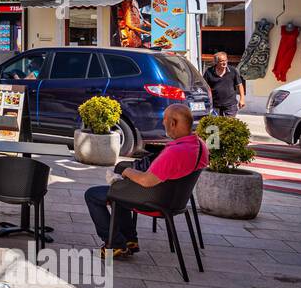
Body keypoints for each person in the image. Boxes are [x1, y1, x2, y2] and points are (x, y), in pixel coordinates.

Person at [82, 103, 208, 256]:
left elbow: (146, 181)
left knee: (93, 195)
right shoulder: (200, 145)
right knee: (120, 190)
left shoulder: (175, 152)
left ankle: (114, 244)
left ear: (173, 123)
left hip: (156, 201)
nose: (163, 123)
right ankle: (129, 240)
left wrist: (127, 172)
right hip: (175, 200)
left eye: (165, 120)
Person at [203, 51, 246, 117]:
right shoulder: (209, 72)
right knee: (215, 125)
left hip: (230, 105)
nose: (224, 63)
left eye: (226, 60)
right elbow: (205, 87)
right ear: (216, 62)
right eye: (222, 61)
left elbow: (240, 85)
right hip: (215, 105)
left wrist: (242, 99)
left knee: (229, 125)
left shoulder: (233, 70)